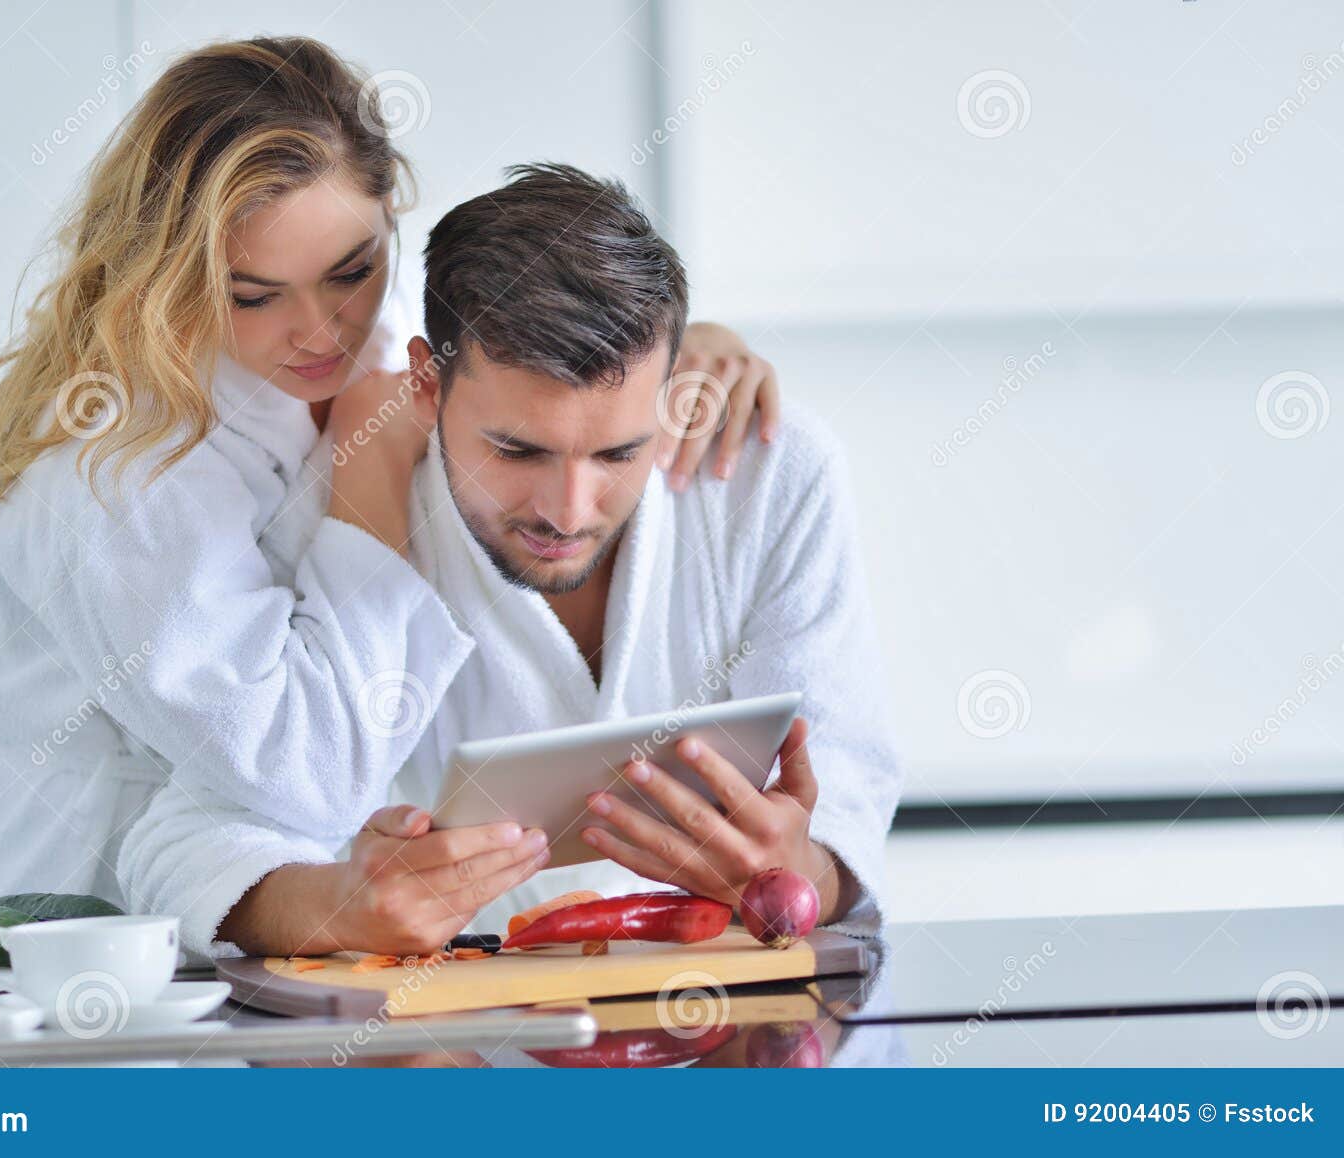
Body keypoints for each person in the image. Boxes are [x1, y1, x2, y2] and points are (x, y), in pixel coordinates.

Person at [0, 37, 784, 909]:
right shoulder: (114, 470)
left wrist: (677, 352)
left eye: (350, 273)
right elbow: (301, 774)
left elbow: (527, 354)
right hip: (65, 905)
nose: (321, 331)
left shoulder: (377, 326)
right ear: (164, 270)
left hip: (273, 897)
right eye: (252, 295)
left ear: (386, 214)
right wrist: (367, 490)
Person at [119, 164, 902, 961]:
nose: (568, 510)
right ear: (427, 384)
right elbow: (177, 840)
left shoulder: (774, 477)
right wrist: (331, 906)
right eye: (516, 450)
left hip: (724, 1040)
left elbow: (848, 799)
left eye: (619, 452)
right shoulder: (342, 503)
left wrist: (801, 867)